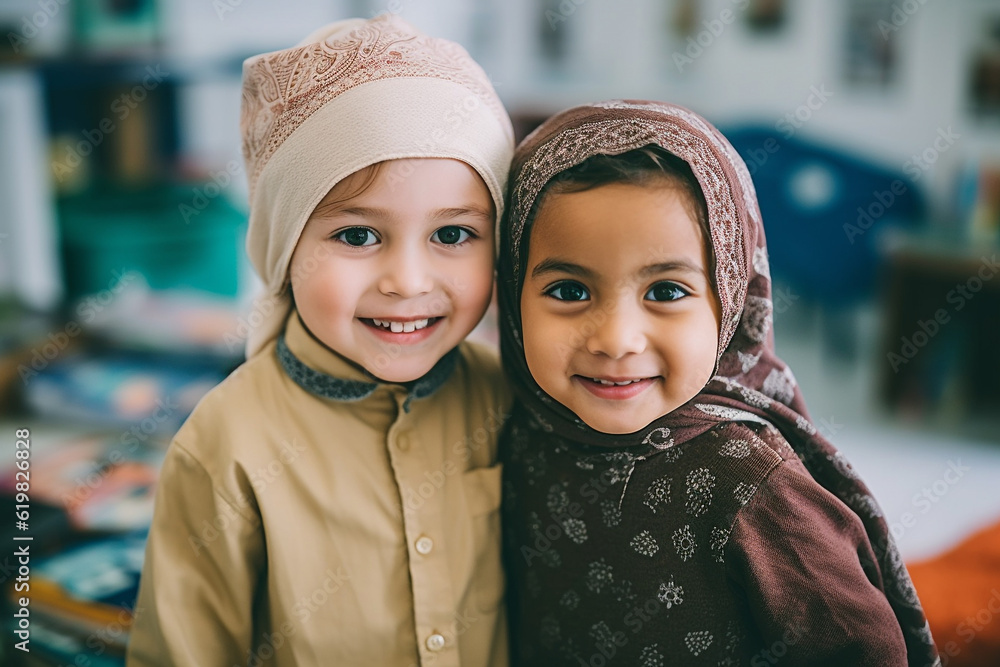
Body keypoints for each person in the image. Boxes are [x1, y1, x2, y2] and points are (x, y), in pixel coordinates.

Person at [127, 15, 514, 667]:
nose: (408, 281)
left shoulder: (507, 396)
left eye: (452, 235)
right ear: (283, 248)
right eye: (359, 235)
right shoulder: (226, 445)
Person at [496, 100, 940, 666]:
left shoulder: (748, 480)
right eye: (568, 291)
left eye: (665, 292)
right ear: (511, 297)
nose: (616, 340)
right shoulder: (516, 427)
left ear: (730, 303)